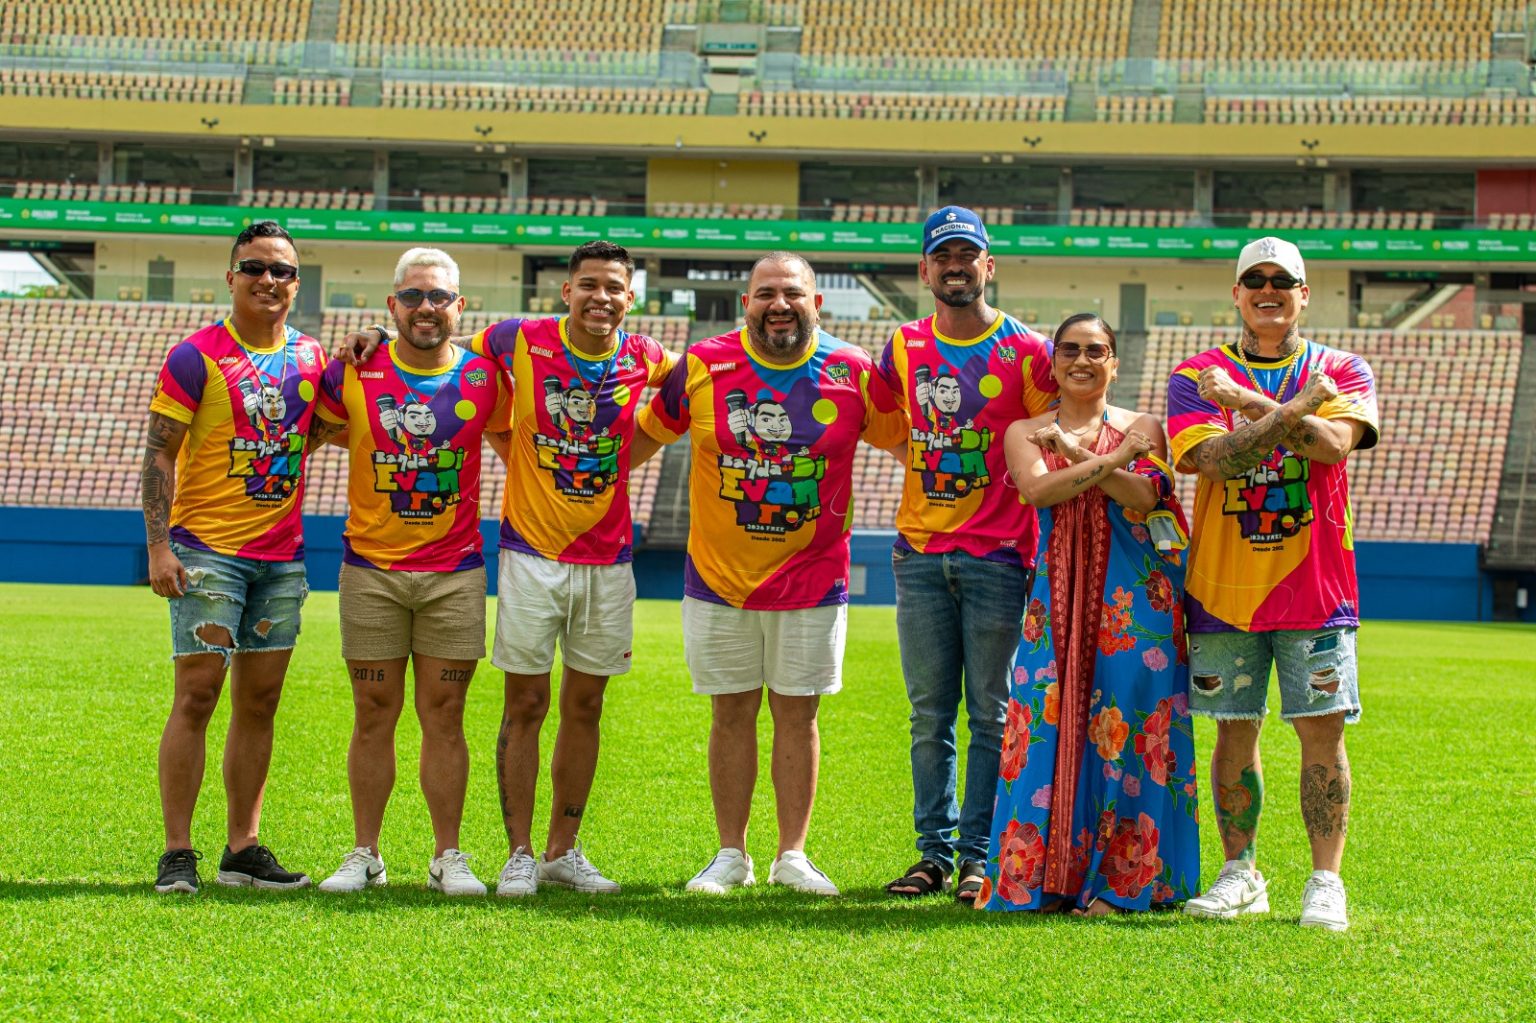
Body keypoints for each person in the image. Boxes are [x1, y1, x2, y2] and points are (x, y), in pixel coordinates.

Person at [340, 240, 673, 896]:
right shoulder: (517, 338)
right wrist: (379, 331)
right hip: (529, 553)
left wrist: (632, 451)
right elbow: (441, 337)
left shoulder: (646, 357)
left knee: (587, 703)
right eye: (588, 284)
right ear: (566, 292)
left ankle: (562, 850)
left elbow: (704, 379)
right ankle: (518, 852)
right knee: (525, 700)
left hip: (609, 558)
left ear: (631, 298)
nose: (600, 296)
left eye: (613, 286)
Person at [635, 252, 905, 896]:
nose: (778, 305)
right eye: (765, 294)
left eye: (792, 293)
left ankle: (793, 855)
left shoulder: (854, 371)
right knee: (729, 714)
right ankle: (731, 854)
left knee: (797, 715)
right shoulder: (702, 364)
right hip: (717, 581)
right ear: (745, 302)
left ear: (817, 302)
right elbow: (638, 440)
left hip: (813, 581)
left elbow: (909, 447)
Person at [1167, 237, 1379, 932]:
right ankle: (1242, 872)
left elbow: (1333, 446)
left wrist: (1248, 400)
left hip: (1315, 587)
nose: (1268, 289)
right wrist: (1293, 409)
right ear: (1235, 293)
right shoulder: (1195, 373)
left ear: (1304, 293)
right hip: (1225, 588)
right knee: (1234, 733)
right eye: (1253, 279)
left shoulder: (1342, 367)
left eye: (1282, 280)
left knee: (1321, 734)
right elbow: (1216, 459)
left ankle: (1326, 881)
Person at [973, 314, 1200, 915]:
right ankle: (1044, 878)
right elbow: (1038, 492)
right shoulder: (1024, 429)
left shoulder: (1145, 424)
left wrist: (1078, 454)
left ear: (1114, 362)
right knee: (1043, 724)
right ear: (1052, 360)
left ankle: (1124, 884)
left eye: (1096, 350)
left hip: (1137, 606)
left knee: (1130, 729)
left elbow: (1145, 495)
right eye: (1069, 349)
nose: (1082, 360)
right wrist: (1112, 458)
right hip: (1054, 602)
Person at [310, 248, 510, 896]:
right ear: (391, 304)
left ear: (461, 307)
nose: (427, 307)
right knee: (373, 711)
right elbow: (310, 434)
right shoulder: (353, 370)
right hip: (370, 568)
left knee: (445, 713)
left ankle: (446, 855)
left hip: (454, 571)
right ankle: (365, 852)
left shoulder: (488, 376)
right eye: (414, 295)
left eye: (439, 296)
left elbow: (520, 445)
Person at [879, 206, 1058, 903]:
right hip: (919, 554)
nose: (955, 266)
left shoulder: (1029, 350)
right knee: (930, 714)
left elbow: (1051, 433)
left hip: (1000, 556)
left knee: (991, 712)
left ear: (990, 265)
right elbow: (893, 425)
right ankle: (931, 855)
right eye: (942, 255)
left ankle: (979, 856)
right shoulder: (901, 345)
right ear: (924, 270)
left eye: (968, 255)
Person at [142, 221, 326, 894]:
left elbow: (337, 420)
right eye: (255, 268)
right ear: (231, 277)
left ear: (296, 283)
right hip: (207, 551)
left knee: (261, 700)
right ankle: (178, 850)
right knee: (196, 695)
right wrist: (159, 545)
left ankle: (242, 846)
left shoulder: (312, 357)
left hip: (281, 557)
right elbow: (161, 450)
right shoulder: (196, 355)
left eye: (282, 270)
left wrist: (367, 354)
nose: (269, 280)